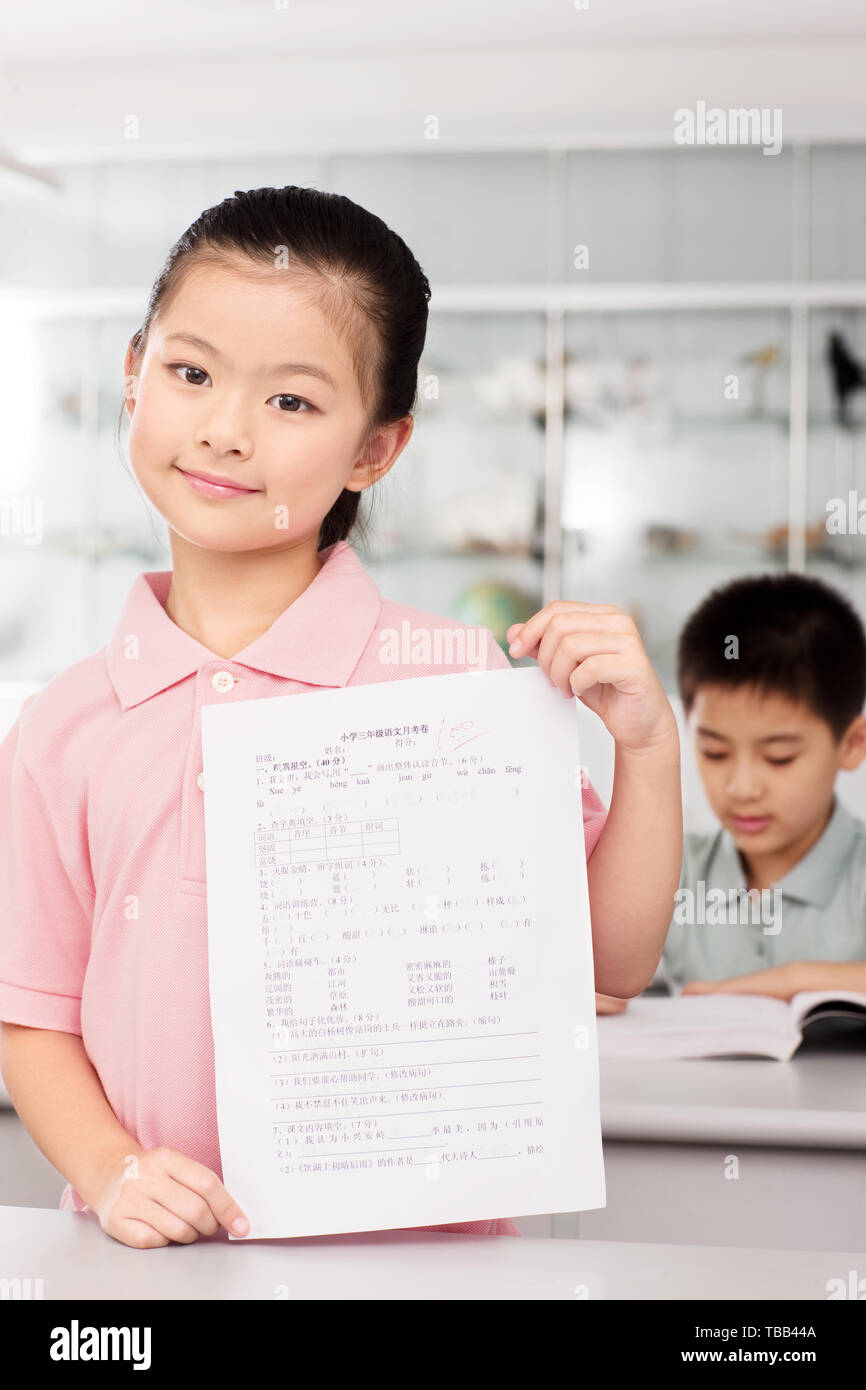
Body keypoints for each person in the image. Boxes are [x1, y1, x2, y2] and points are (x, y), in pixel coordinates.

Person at [0, 186, 681, 1250]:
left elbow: (609, 963)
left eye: (292, 403)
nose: (224, 430)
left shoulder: (454, 682)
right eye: (190, 374)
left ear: (375, 449)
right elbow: (33, 1015)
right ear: (133, 373)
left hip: (421, 1271)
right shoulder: (64, 724)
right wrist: (111, 1168)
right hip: (152, 1271)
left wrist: (644, 745)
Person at [663, 572, 866, 1001]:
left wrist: (791, 982)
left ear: (851, 745)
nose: (742, 788)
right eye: (715, 752)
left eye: (779, 758)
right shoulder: (668, 872)